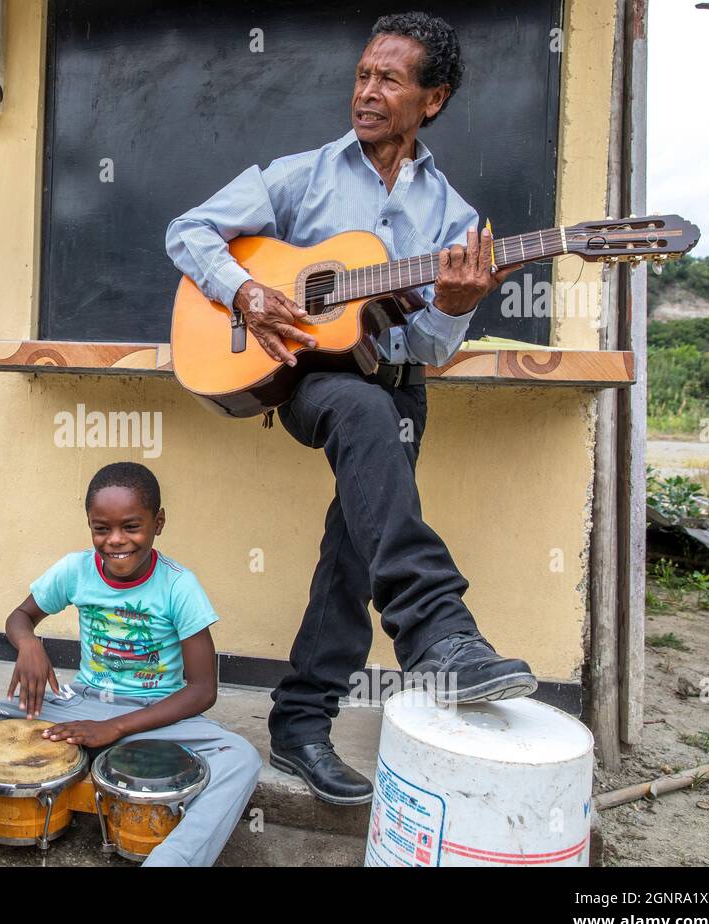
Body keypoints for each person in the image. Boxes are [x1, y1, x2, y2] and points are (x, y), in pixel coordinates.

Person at [165, 12, 535, 807]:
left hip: (396, 388)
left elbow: (430, 349)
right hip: (312, 384)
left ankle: (299, 723)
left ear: (431, 101)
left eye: (390, 79)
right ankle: (436, 630)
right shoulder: (300, 175)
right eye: (364, 74)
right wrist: (247, 292)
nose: (367, 91)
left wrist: (459, 304)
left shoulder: (457, 219)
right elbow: (188, 230)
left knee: (355, 549)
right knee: (363, 418)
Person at [0, 462, 260, 866]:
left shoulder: (179, 586)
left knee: (241, 757)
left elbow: (203, 689)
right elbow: (19, 617)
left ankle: (173, 860)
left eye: (131, 526)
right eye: (102, 528)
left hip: (157, 717)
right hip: (82, 701)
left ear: (158, 522)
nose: (116, 541)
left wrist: (114, 727)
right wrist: (28, 644)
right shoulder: (75, 570)